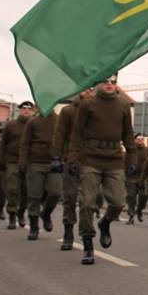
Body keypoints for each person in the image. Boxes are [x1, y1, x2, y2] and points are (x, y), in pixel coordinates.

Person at [67, 75, 136, 265]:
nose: (109, 84)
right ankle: (88, 244)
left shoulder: (123, 105)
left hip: (114, 159)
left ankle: (105, 223)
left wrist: (132, 159)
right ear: (98, 83)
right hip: (90, 158)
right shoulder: (88, 104)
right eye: (106, 80)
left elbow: (128, 135)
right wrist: (73, 158)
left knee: (117, 202)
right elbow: (77, 133)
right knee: (87, 203)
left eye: (113, 81)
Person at [52, 89, 92, 251]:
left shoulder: (97, 109)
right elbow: (60, 134)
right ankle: (68, 232)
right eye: (86, 87)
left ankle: (86, 233)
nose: (88, 91)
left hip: (92, 158)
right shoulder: (68, 111)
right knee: (70, 197)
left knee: (89, 199)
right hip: (72, 158)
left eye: (91, 88)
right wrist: (56, 157)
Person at [19, 105, 61, 241]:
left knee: (55, 192)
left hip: (53, 162)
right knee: (34, 195)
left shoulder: (59, 120)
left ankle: (46, 213)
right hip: (35, 161)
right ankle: (34, 226)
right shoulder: (33, 121)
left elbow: (64, 140)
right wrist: (23, 162)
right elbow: (25, 143)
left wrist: (63, 158)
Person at [1, 101, 33, 229]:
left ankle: (21, 212)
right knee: (12, 188)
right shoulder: (11, 125)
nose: (26, 111)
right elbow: (3, 145)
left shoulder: (33, 124)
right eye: (24, 108)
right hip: (13, 161)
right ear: (19, 110)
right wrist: (2, 162)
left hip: (29, 161)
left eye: (29, 109)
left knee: (26, 191)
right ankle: (12, 214)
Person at [124, 133, 148, 224]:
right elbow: (124, 163)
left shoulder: (147, 151)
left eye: (142, 139)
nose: (140, 141)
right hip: (131, 178)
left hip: (143, 179)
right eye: (138, 139)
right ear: (134, 140)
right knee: (131, 197)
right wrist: (125, 175)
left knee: (144, 196)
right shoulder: (130, 151)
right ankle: (131, 215)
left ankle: (139, 210)